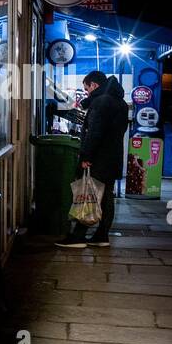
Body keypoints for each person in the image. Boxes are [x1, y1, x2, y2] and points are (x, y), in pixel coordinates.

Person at [56, 70, 128, 248]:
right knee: (106, 198)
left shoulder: (101, 102)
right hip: (113, 157)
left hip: (99, 158)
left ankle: (78, 236)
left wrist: (86, 156)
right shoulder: (120, 103)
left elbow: (94, 132)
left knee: (88, 195)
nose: (86, 92)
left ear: (94, 85)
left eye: (86, 88)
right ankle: (102, 235)